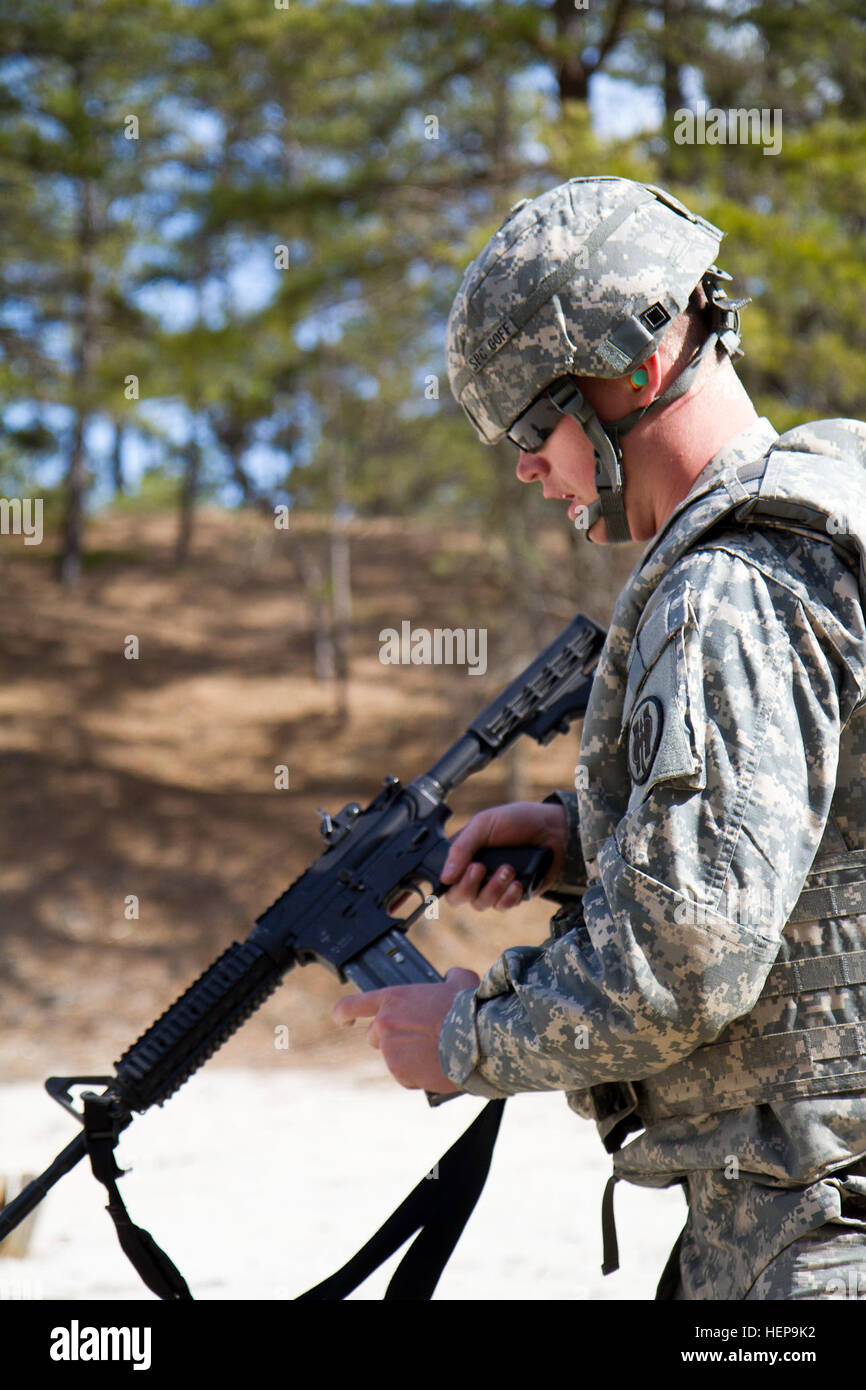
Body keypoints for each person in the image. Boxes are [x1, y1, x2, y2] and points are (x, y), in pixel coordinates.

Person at [334, 176, 866, 1300]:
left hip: (816, 1238)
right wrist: (588, 839)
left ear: (631, 370)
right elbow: (812, 842)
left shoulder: (727, 587)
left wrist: (464, 1035)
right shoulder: (824, 517)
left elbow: (682, 963)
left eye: (532, 424)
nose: (526, 467)